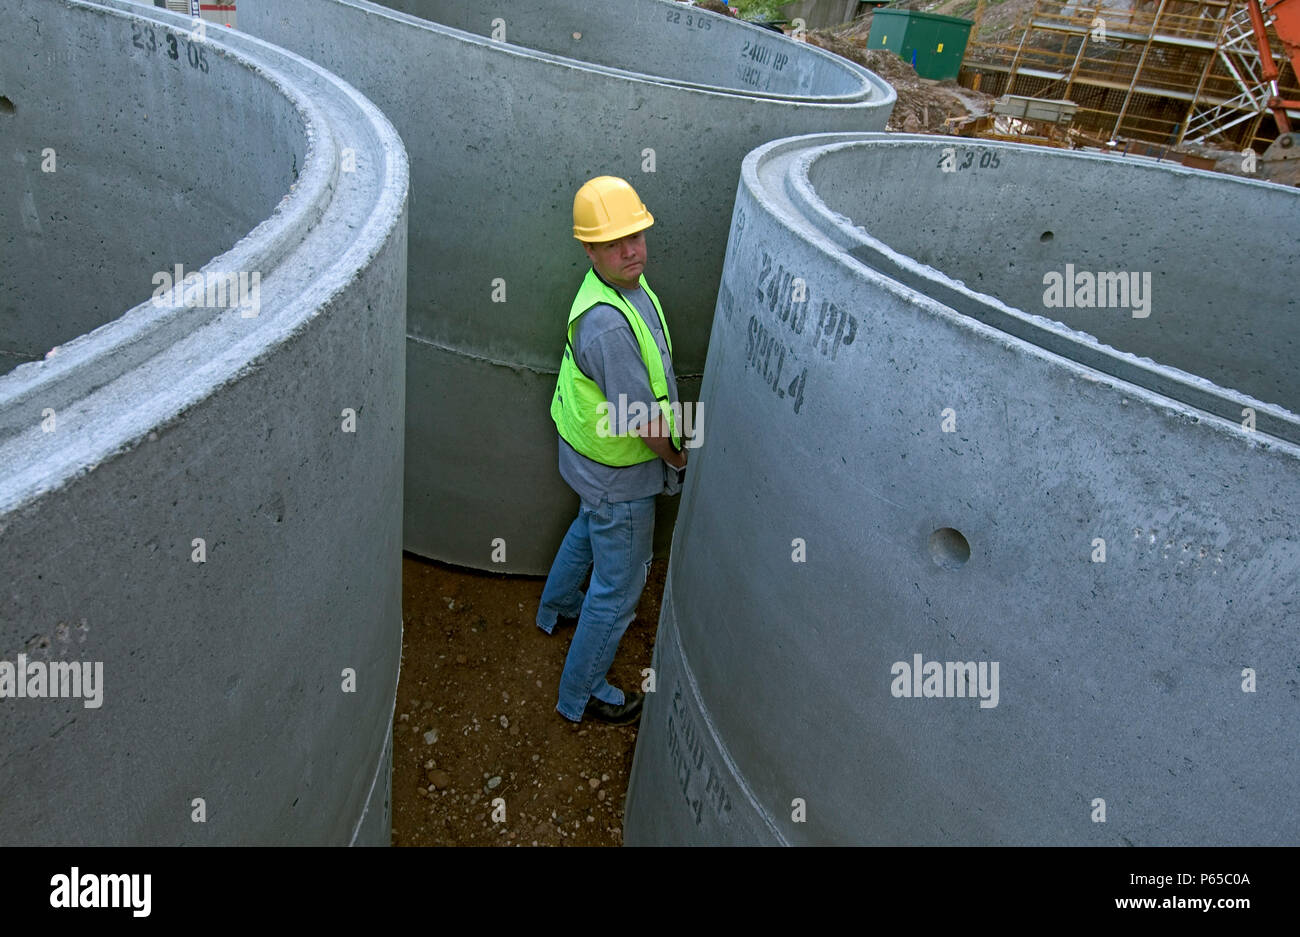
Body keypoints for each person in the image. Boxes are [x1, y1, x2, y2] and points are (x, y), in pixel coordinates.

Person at [536, 176, 688, 725]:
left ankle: (554, 609)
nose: (631, 251)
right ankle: (582, 693)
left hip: (588, 464)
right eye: (614, 242)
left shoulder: (623, 286)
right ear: (589, 249)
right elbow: (641, 418)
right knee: (619, 587)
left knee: (586, 527)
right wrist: (677, 457)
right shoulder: (607, 326)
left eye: (637, 236)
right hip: (618, 475)